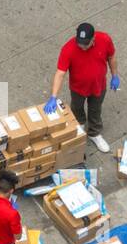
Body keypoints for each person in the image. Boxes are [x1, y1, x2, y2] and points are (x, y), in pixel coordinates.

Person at [46, 22, 120, 153]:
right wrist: (53, 96)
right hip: (78, 88)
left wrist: (115, 75)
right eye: (80, 44)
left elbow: (111, 57)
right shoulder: (68, 49)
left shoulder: (105, 39)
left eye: (86, 44)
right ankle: (78, 124)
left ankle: (94, 133)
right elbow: (60, 73)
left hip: (98, 85)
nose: (83, 47)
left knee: (95, 109)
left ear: (93, 39)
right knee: (77, 107)